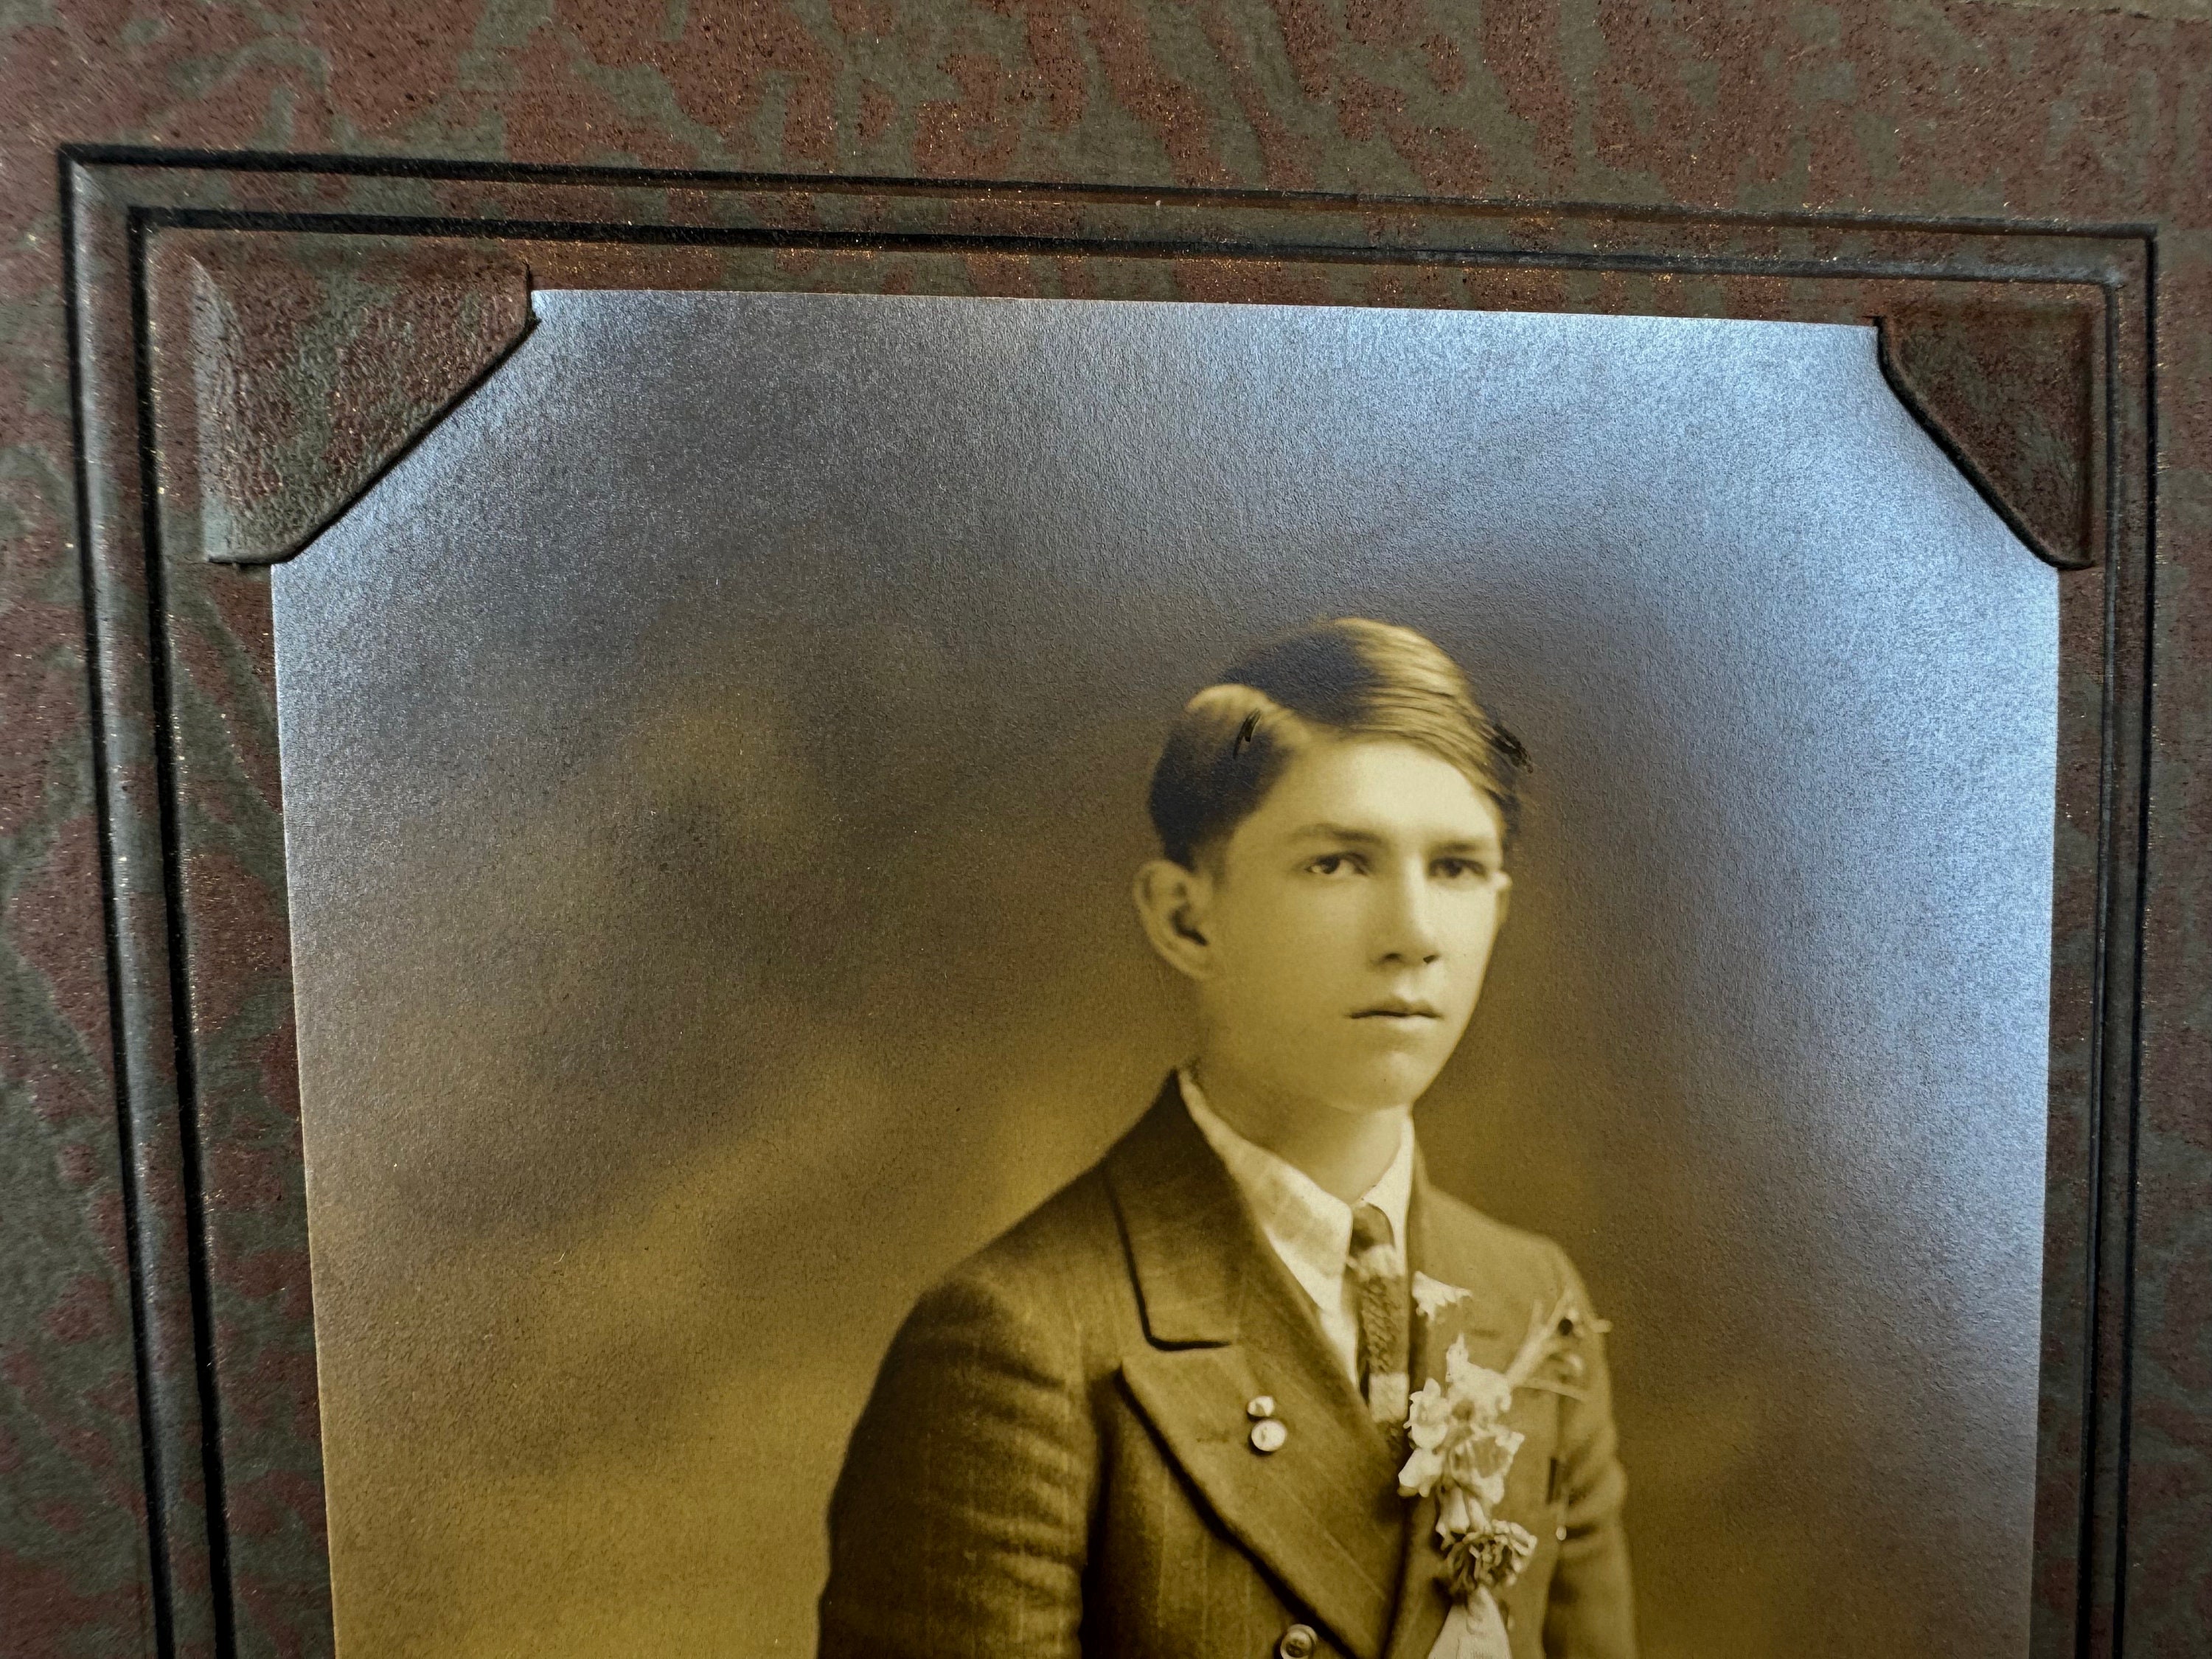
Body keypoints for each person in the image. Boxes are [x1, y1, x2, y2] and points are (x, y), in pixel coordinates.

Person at [818, 618, 1635, 1659]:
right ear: (1186, 919)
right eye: (1339, 862)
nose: (1416, 932)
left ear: (1501, 905)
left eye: (1459, 868)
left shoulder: (1532, 1301)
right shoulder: (1020, 1344)